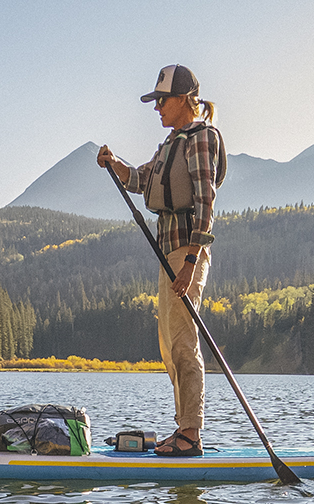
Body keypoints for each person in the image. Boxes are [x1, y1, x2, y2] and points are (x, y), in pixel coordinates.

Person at [96, 64, 222, 457]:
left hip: (186, 252)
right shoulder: (171, 144)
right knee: (169, 344)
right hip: (169, 253)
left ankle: (191, 435)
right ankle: (184, 428)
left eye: (162, 100)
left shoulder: (201, 138)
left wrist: (191, 261)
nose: (157, 108)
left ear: (184, 99)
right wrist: (114, 163)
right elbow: (140, 180)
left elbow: (206, 201)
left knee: (183, 341)